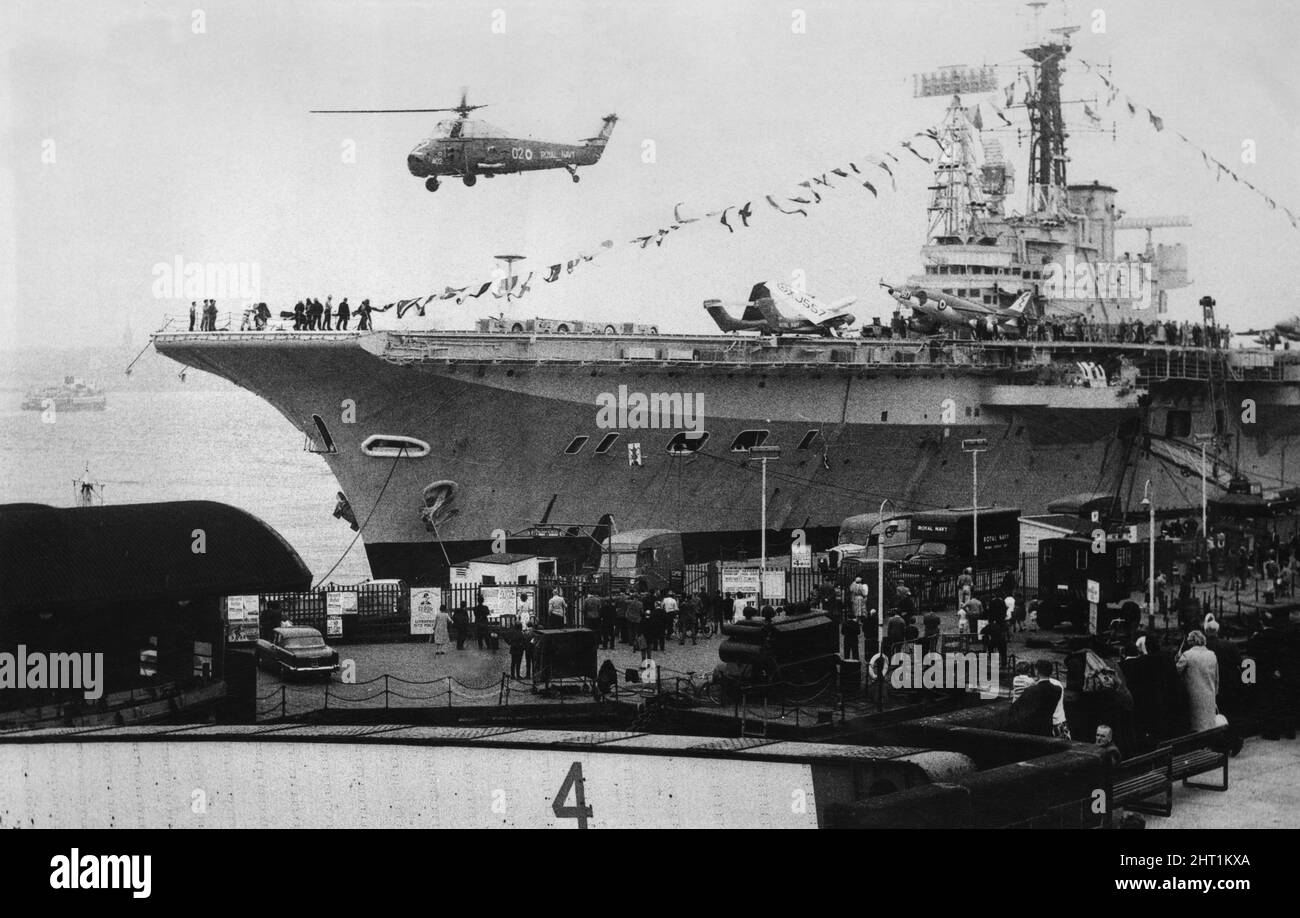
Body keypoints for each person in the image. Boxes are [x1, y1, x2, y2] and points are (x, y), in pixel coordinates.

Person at [1176, 630, 1220, 732]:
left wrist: (1177, 659)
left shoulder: (1187, 655)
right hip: (1209, 693)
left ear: (1191, 642)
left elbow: (1176, 671)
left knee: (1196, 725)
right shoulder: (1212, 654)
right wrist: (1215, 692)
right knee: (1209, 724)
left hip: (1193, 696)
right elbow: (1217, 677)